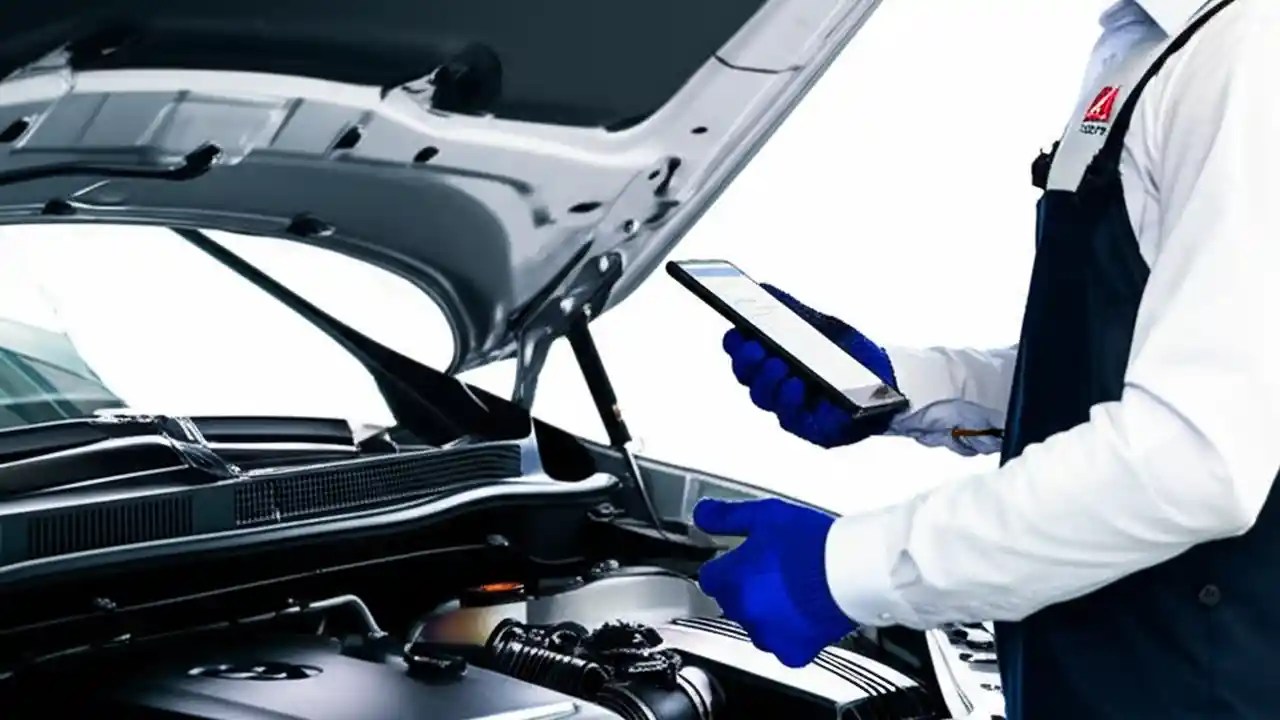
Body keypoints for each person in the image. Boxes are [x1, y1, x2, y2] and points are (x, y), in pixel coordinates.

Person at [689, 1, 1280, 718]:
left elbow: (1194, 456)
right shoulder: (1147, 40)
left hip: (1196, 684)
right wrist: (907, 386)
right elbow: (1131, 363)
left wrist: (843, 571)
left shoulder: (1250, 52)